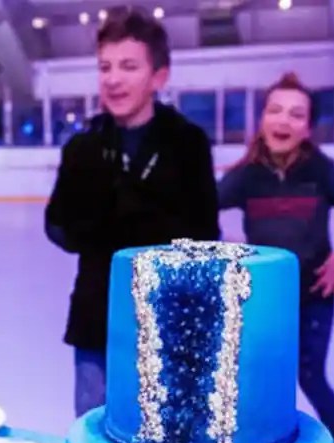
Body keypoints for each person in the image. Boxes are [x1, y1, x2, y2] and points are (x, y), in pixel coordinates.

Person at [45, 7, 219, 417]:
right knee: (95, 435)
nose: (113, 78)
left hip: (168, 320)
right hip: (96, 316)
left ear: (158, 76)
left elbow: (206, 233)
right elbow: (56, 225)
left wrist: (145, 223)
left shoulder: (186, 143)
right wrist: (87, 225)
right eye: (105, 66)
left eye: (128, 66)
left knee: (166, 438)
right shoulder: (83, 145)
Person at [218, 72, 334, 443]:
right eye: (275, 111)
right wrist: (224, 244)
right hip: (263, 298)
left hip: (314, 294)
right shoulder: (248, 174)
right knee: (256, 376)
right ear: (262, 119)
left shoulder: (319, 170)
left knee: (310, 375)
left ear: (307, 128)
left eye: (296, 115)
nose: (283, 121)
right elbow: (201, 207)